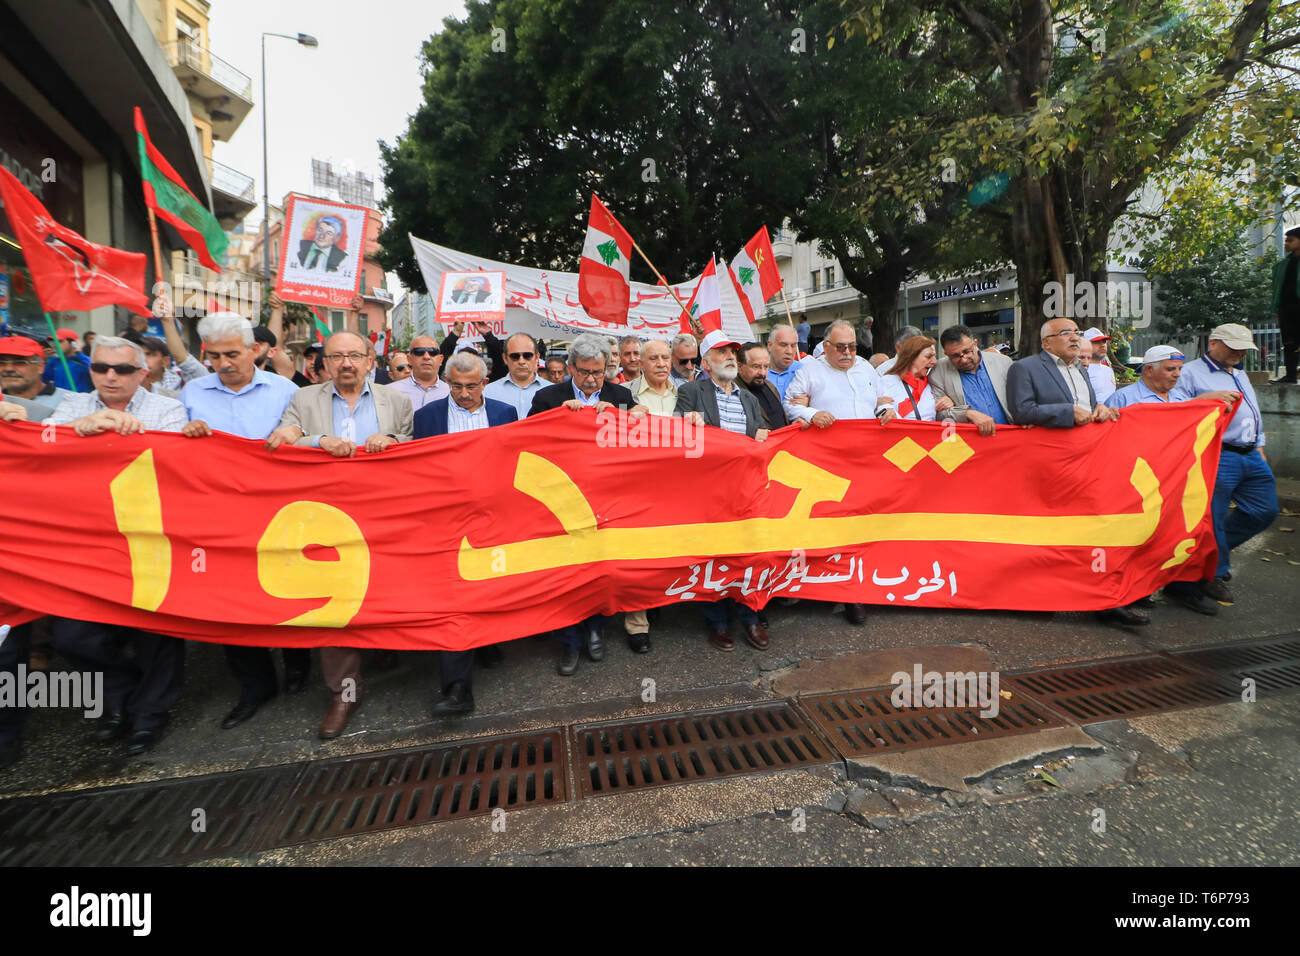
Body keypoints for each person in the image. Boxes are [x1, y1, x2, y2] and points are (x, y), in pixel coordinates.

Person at [44, 336, 188, 755]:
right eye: (101, 367)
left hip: (151, 538)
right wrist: (75, 431)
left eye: (122, 369)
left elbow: (182, 462)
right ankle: (119, 698)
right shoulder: (71, 407)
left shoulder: (168, 408)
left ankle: (148, 717)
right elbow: (41, 448)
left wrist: (137, 435)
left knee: (155, 634)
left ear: (143, 373)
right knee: (73, 637)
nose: (110, 376)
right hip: (88, 541)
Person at [268, 330, 414, 739]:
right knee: (332, 601)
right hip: (325, 519)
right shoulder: (303, 400)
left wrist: (394, 440)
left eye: (354, 355)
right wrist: (318, 440)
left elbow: (416, 450)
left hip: (385, 515)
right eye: (336, 357)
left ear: (371, 360)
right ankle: (344, 691)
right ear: (323, 365)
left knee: (384, 588)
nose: (346, 363)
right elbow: (282, 441)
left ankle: (385, 646)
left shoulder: (397, 401)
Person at [177, 311, 306, 729]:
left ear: (255, 350)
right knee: (230, 603)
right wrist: (185, 432)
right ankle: (255, 687)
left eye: (232, 353)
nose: (224, 363)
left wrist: (293, 435)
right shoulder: (192, 394)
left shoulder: (286, 390)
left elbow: (307, 439)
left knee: (288, 593)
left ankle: (299, 666)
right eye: (214, 356)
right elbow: (167, 447)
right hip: (217, 519)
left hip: (278, 513)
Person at [1005, 320, 1145, 626]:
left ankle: (1107, 602)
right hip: (1049, 464)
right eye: (1066, 333)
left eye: (1077, 333)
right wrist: (1067, 412)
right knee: (1049, 534)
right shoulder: (1025, 368)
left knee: (1096, 529)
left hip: (1089, 461)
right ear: (1046, 343)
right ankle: (1041, 598)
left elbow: (1090, 407)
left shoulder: (1082, 368)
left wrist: (1103, 411)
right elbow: (1022, 411)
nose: (1074, 338)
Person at [528, 334, 646, 675]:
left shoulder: (620, 395)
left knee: (599, 568)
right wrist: (557, 420)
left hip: (606, 499)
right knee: (567, 571)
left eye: (599, 371)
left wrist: (625, 416)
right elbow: (529, 444)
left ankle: (595, 630)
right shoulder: (548, 398)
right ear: (569, 369)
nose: (592, 379)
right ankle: (570, 642)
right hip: (561, 500)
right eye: (584, 372)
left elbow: (638, 443)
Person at [412, 351, 518, 714]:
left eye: (471, 386)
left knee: (488, 588)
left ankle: (486, 641)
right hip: (445, 523)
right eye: (455, 386)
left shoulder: (505, 414)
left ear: (485, 383)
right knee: (453, 599)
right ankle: (457, 687)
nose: (463, 393)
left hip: (493, 520)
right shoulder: (426, 418)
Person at [1163, 324, 1277, 615]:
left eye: (1242, 348)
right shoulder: (1189, 372)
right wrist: (1203, 401)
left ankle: (1211, 559)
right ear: (1213, 343)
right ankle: (1203, 576)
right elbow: (1172, 408)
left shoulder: (1238, 372)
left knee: (1263, 510)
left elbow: (1252, 411)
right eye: (1233, 346)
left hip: (1250, 453)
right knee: (1209, 518)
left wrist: (1259, 444)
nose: (1239, 352)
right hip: (1217, 453)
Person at [676, 331, 774, 652]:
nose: (731, 356)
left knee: (750, 554)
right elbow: (677, 436)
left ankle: (750, 617)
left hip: (746, 491)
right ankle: (717, 622)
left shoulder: (748, 398)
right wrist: (685, 422)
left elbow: (764, 433)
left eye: (733, 351)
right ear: (706, 363)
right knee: (714, 557)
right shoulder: (691, 391)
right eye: (721, 352)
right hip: (708, 492)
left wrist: (764, 434)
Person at [930, 325, 1013, 436]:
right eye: (955, 356)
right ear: (946, 354)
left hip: (1011, 435)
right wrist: (967, 413)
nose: (963, 360)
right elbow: (937, 414)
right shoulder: (938, 371)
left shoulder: (1003, 363)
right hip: (970, 442)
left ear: (975, 344)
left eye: (967, 351)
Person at [877, 335, 954, 421]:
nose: (935, 361)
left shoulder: (933, 382)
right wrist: (886, 412)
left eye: (934, 357)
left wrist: (948, 402)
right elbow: (880, 408)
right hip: (898, 433)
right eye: (929, 357)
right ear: (912, 357)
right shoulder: (887, 382)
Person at [0, 335, 72, 412]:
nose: (8, 368)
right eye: (1, 362)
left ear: (40, 367)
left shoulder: (69, 403)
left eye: (20, 362)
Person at [483, 332, 546, 418]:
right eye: (515, 356)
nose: (521, 361)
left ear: (537, 357)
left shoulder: (554, 392)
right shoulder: (487, 393)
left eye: (527, 355)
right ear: (505, 358)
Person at [1104, 345, 1185, 408]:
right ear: (1149, 369)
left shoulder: (1179, 397)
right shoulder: (1122, 399)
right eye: (1170, 369)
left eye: (1180, 369)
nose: (1177, 374)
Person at [1270, 226, 1300, 384]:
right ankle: (1290, 376)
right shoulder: (1283, 264)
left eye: (1290, 240)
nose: (1286, 243)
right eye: (1286, 240)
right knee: (1289, 343)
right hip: (1287, 309)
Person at [391, 334, 450, 409]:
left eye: (433, 352)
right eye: (419, 352)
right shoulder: (391, 391)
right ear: (409, 359)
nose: (426, 357)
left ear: (441, 359)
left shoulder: (451, 393)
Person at [737, 342, 787, 430]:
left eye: (766, 367)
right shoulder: (732, 392)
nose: (762, 373)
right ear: (740, 367)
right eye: (756, 367)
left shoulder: (770, 386)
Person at [440, 321, 507, 382]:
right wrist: (454, 335)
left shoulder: (488, 384)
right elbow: (439, 360)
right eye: (462, 358)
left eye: (471, 359)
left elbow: (500, 360)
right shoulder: (446, 385)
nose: (467, 363)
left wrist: (488, 335)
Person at [43, 328, 92, 392]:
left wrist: (78, 352)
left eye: (60, 341)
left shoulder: (83, 361)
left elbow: (94, 369)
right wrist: (45, 360)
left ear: (73, 343)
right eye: (54, 342)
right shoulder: (54, 361)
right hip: (59, 400)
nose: (56, 345)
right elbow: (44, 379)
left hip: (79, 400)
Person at [766, 325, 804, 399]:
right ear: (770, 345)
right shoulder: (758, 374)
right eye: (783, 345)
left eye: (793, 346)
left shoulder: (804, 372)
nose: (789, 351)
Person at [1081, 327, 1117, 403]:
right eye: (1096, 342)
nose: (1102, 345)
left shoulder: (1108, 369)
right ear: (1084, 345)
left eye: (1104, 341)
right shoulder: (1080, 370)